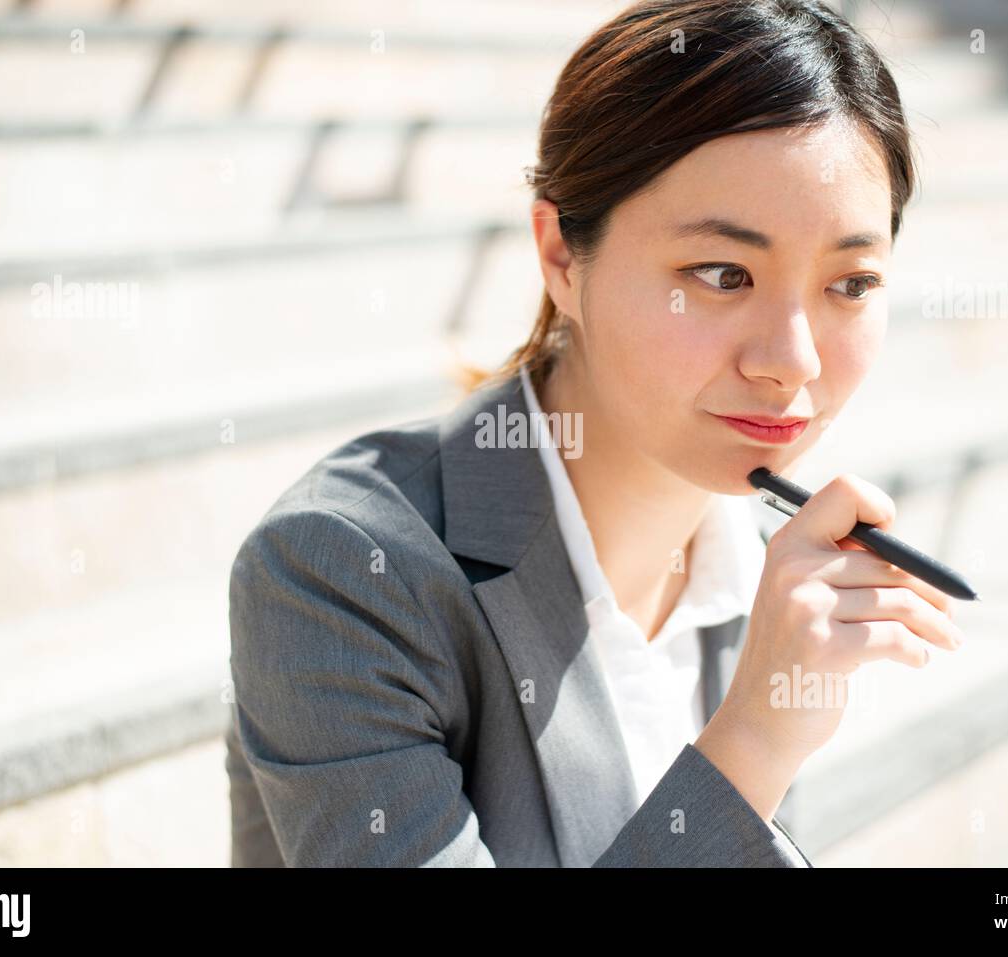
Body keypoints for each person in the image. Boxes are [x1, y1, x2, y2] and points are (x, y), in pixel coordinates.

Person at [224, 0, 964, 867]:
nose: (791, 361)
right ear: (562, 258)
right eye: (723, 274)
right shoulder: (342, 571)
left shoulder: (764, 558)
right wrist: (754, 741)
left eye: (851, 282)